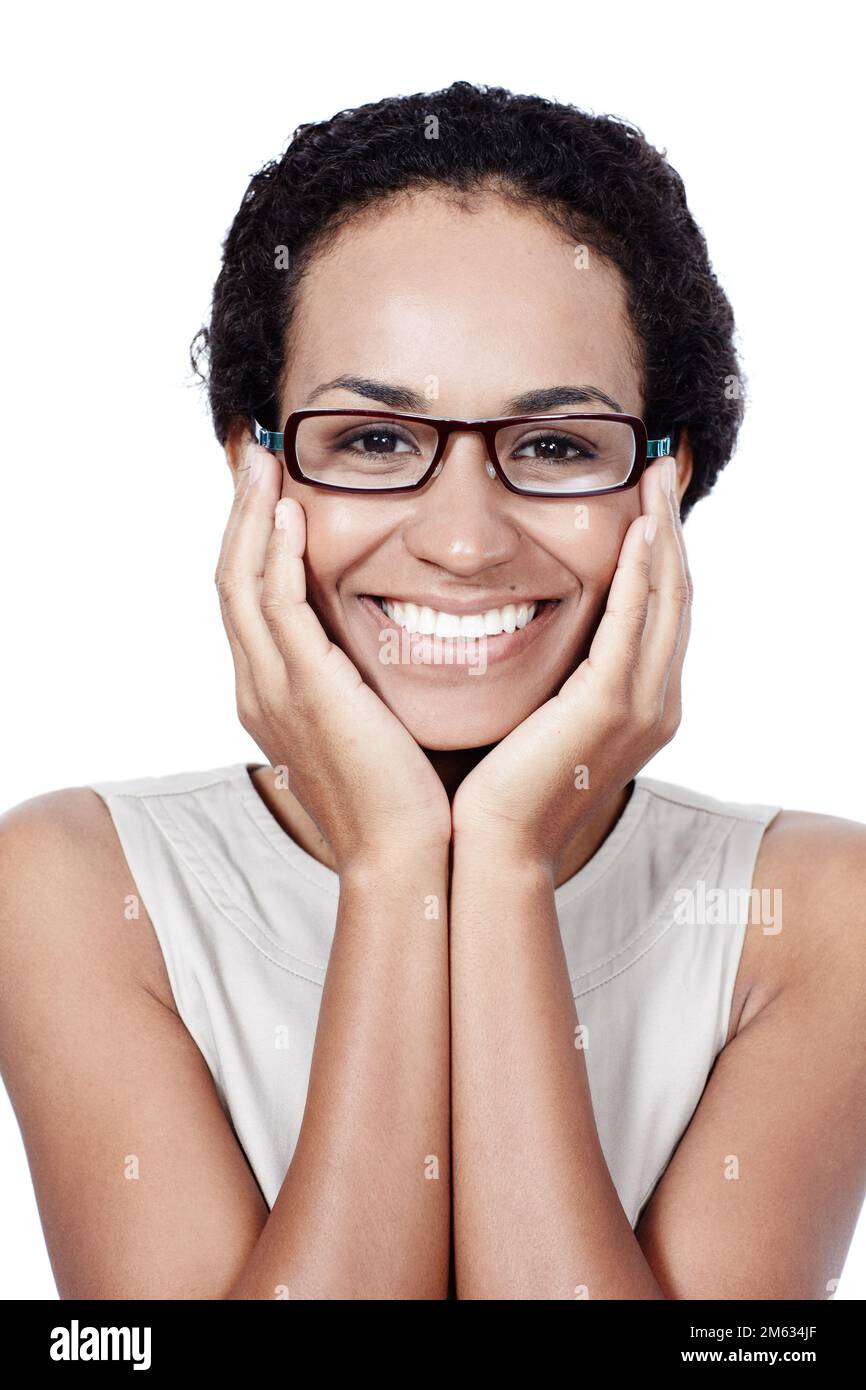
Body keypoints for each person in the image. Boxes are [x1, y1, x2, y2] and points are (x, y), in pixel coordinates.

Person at [1, 81, 864, 1301]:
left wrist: (502, 863)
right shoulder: (75, 882)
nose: (462, 541)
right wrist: (395, 861)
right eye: (371, 439)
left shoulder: (819, 916)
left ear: (666, 483)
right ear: (254, 465)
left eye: (557, 447)